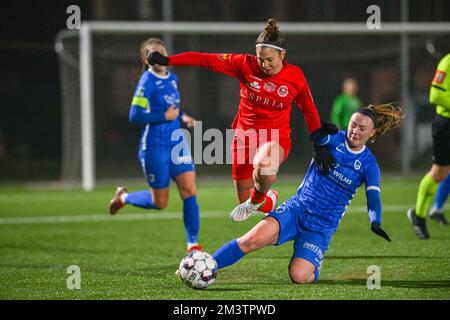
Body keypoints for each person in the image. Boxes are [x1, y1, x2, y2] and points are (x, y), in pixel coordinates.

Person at [147, 18, 335, 222]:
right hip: (244, 137)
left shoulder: (295, 77)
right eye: (261, 59)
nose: (264, 64)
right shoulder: (244, 64)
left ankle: (260, 196)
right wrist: (169, 61)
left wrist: (320, 144)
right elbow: (205, 59)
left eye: (270, 59)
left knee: (265, 167)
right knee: (245, 199)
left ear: (282, 54)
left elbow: (309, 110)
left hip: (275, 137)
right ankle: (267, 198)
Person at [207, 104, 402, 284]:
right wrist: (323, 132)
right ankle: (207, 265)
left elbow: (373, 198)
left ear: (372, 132)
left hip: (321, 227)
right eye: (353, 125)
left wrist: (375, 221)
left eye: (362, 128)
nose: (355, 131)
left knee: (299, 276)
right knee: (251, 240)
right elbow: (317, 135)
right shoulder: (336, 138)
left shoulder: (369, 165)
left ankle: (314, 265)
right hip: (297, 209)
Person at [108, 37, 202, 253]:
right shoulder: (146, 83)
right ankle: (123, 197)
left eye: (161, 51)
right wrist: (164, 115)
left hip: (177, 143)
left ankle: (193, 244)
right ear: (146, 59)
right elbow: (135, 115)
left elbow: (174, 109)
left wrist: (184, 117)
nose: (158, 55)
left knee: (189, 190)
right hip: (154, 147)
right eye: (153, 53)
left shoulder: (173, 78)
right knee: (160, 203)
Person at [407, 53, 450, 239]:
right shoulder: (447, 62)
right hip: (446, 124)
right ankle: (419, 214)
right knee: (439, 173)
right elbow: (435, 94)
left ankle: (436, 209)